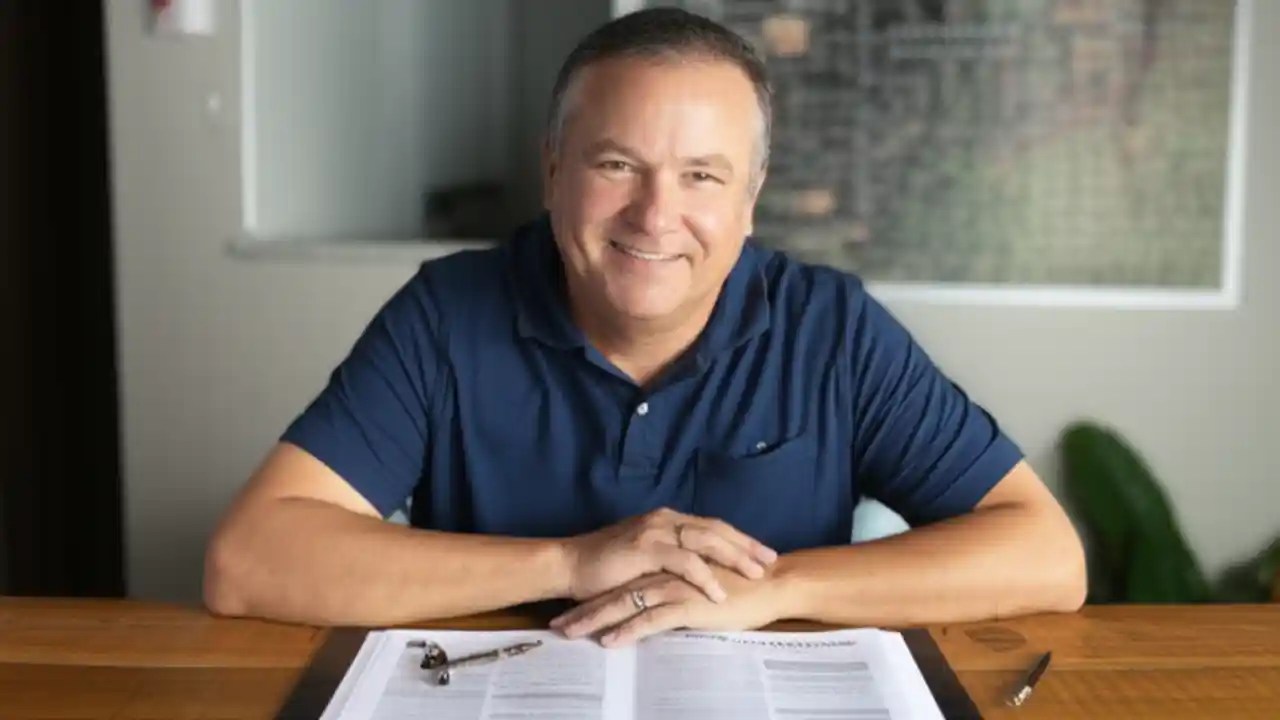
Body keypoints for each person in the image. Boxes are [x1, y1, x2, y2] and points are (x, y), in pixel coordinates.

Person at [204, 8, 1085, 645]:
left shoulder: (833, 330)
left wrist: (771, 588)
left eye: (702, 175)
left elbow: (1046, 555)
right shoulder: (447, 314)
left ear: (751, 200)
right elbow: (248, 561)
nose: (655, 216)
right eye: (617, 164)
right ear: (553, 172)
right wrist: (568, 565)